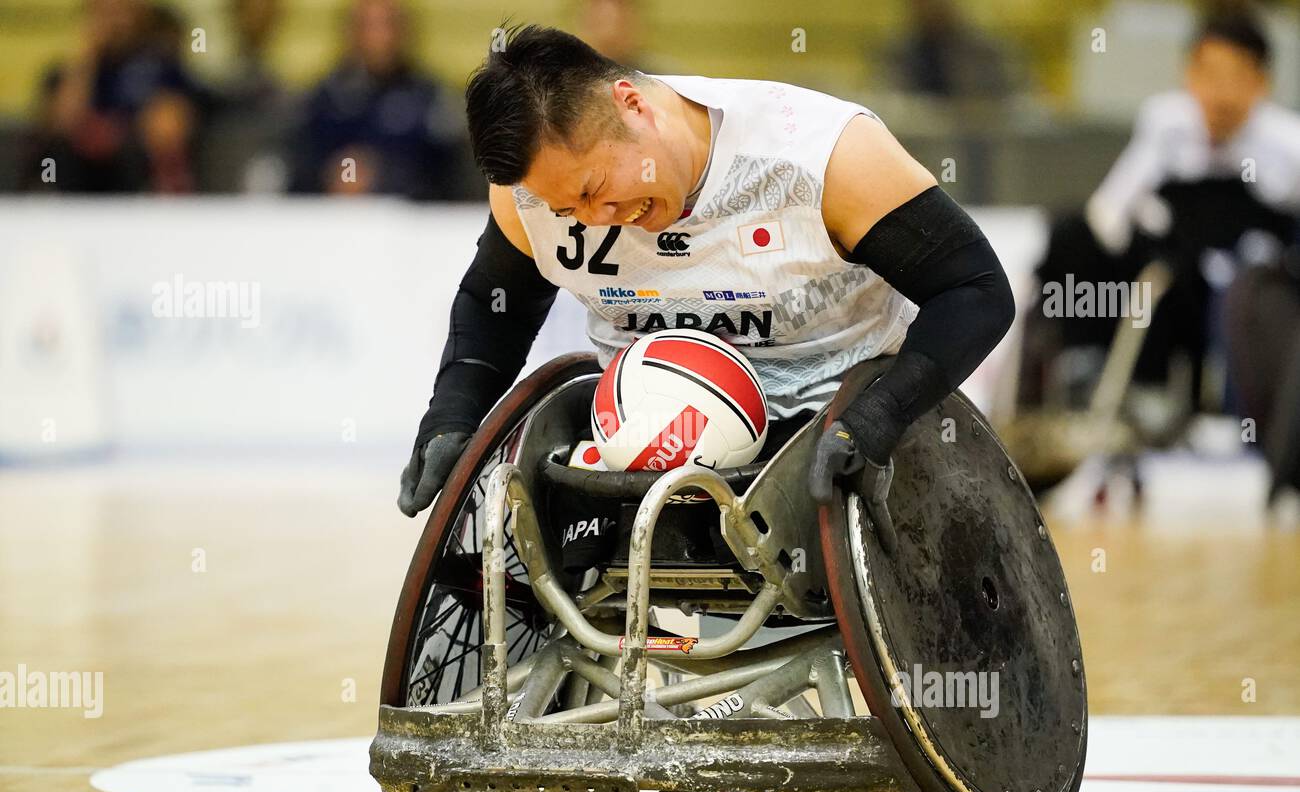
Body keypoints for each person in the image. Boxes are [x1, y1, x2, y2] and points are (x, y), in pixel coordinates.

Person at [397, 25, 1015, 523]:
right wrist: (451, 417)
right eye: (569, 209)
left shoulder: (821, 154)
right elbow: (490, 304)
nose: (595, 220)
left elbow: (976, 291)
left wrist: (878, 418)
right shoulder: (530, 194)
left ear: (632, 104)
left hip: (827, 424)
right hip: (643, 434)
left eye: (596, 189)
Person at [1021, 9, 1300, 412]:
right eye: (1209, 74)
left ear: (1261, 83)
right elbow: (1109, 211)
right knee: (1072, 233)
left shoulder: (1288, 147)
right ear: (1189, 75)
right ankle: (1082, 367)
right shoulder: (1167, 125)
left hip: (1241, 291)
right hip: (1167, 274)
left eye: (1235, 76)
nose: (1220, 92)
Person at [289, 0, 468, 200]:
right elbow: (298, 167)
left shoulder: (431, 99)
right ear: (350, 32)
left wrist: (384, 177)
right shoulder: (324, 99)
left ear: (405, 31)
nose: (378, 37)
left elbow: (449, 176)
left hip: (410, 220)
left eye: (387, 25)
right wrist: (330, 176)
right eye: (367, 26)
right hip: (332, 216)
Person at [25, 0, 204, 193]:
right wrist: (87, 57)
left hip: (135, 169)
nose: (114, 22)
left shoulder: (161, 67)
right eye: (104, 13)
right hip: (73, 175)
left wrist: (124, 130)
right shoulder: (68, 72)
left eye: (121, 12)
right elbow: (62, 121)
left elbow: (175, 119)